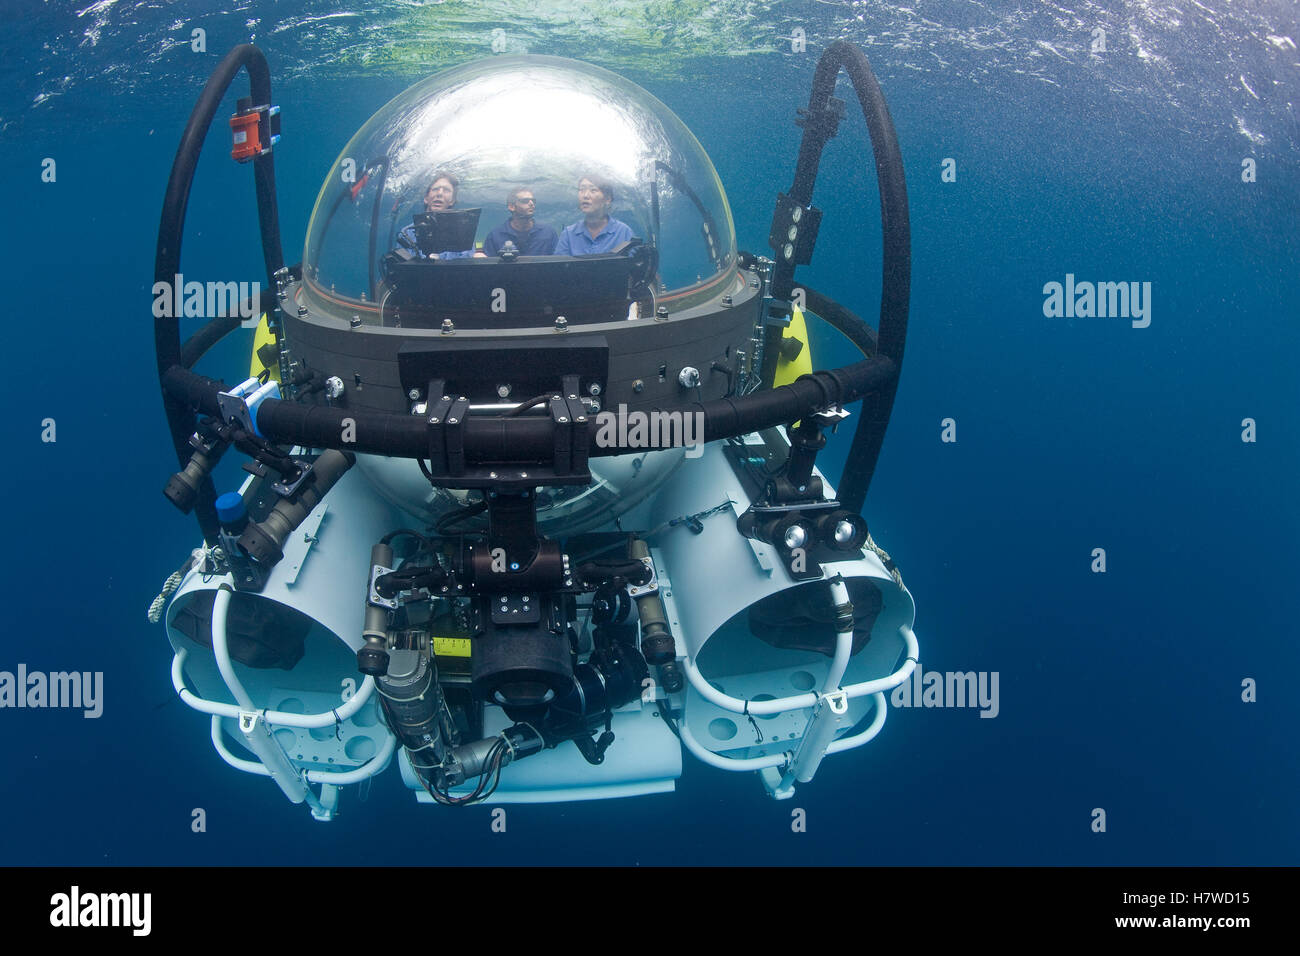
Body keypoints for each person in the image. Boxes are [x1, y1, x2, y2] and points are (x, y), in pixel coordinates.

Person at [395, 171, 486, 259]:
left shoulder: (463, 234)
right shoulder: (407, 233)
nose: (440, 193)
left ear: (452, 201)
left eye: (446, 190)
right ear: (426, 198)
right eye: (435, 189)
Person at [554, 176, 634, 256]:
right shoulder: (568, 234)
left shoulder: (623, 232)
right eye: (582, 190)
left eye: (593, 190)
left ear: (607, 199)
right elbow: (559, 263)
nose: (585, 195)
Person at [483, 187, 558, 256]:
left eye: (533, 201)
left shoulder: (548, 233)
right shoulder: (495, 236)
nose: (531, 204)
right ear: (511, 207)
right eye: (525, 201)